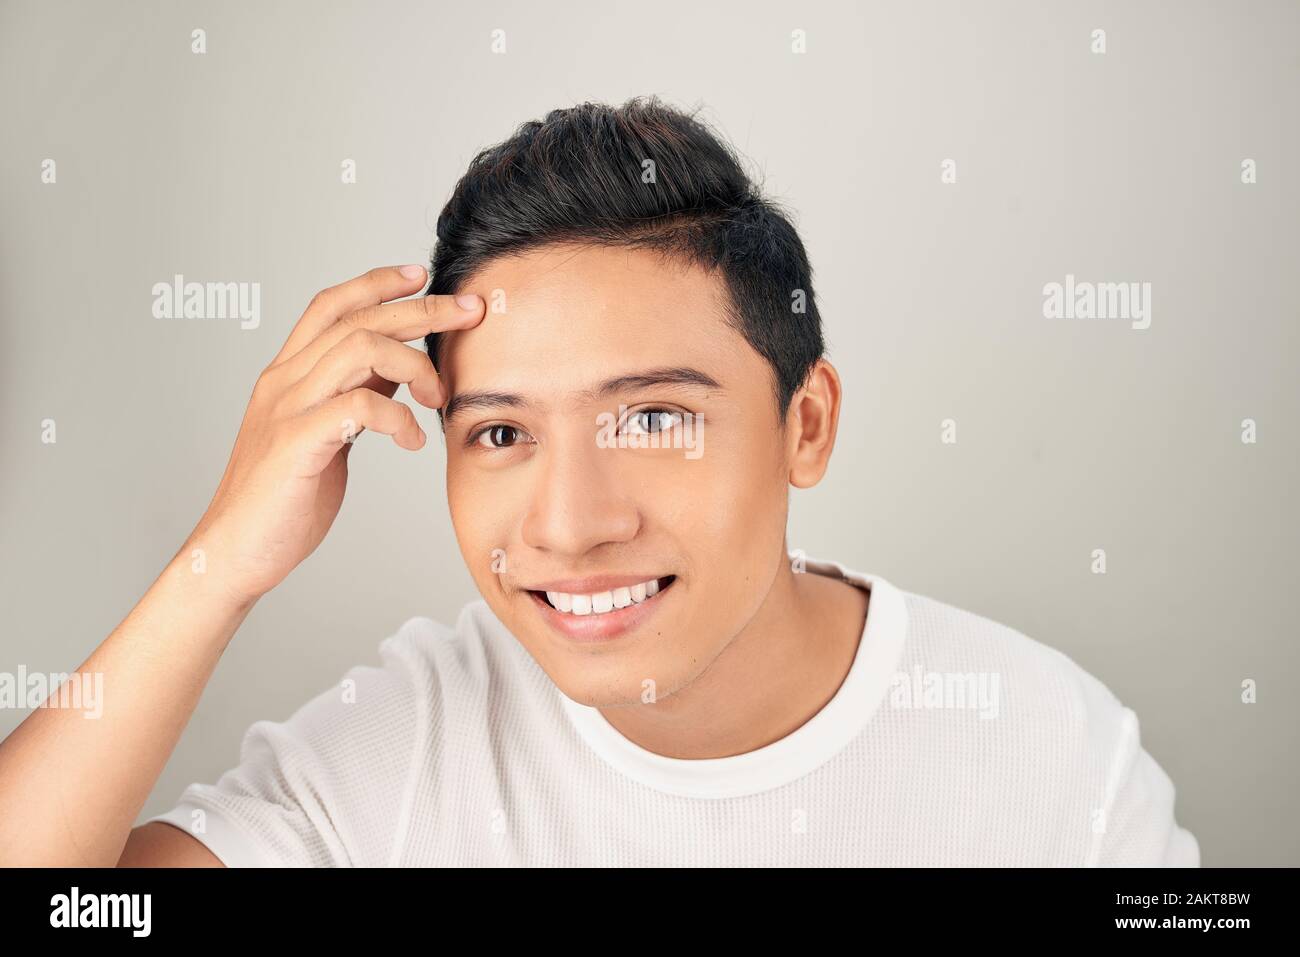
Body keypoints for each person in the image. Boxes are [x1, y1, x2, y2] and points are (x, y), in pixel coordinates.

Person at [0, 97, 1198, 866]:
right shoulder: (409, 743)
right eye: (504, 435)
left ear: (806, 425)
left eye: (655, 416)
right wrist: (220, 562)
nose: (571, 526)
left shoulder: (1045, 752)